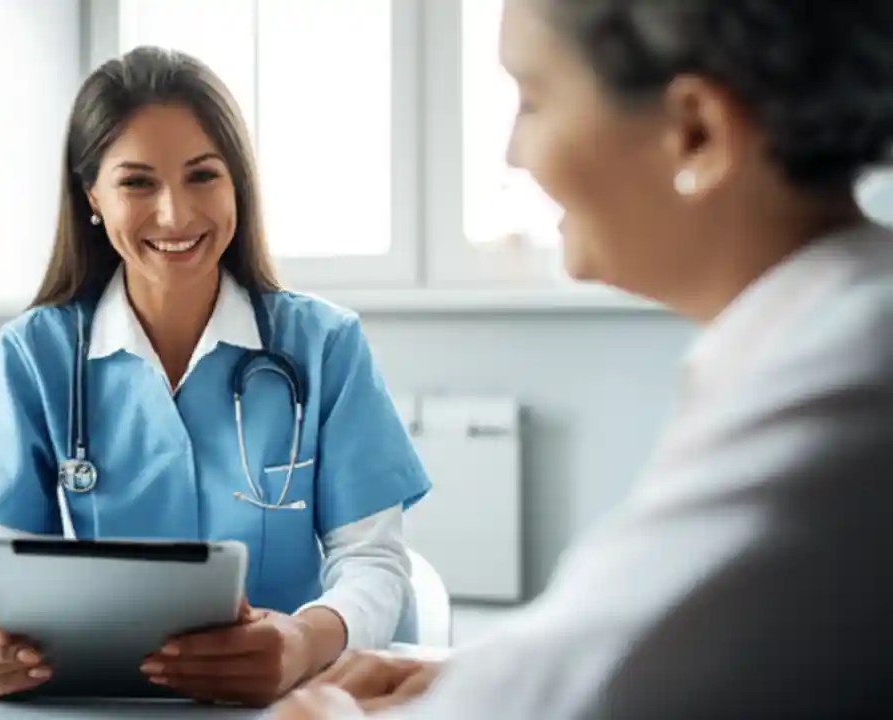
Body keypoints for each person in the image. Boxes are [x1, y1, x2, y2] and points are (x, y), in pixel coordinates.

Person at [273, 0, 893, 717]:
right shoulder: (824, 331)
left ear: (696, 132)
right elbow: (679, 640)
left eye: (531, 99)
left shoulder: (841, 386)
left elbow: (596, 688)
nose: (511, 152)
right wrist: (476, 672)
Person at [0, 46, 431, 707]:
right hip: (106, 703)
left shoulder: (324, 346)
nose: (175, 214)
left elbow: (372, 560)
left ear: (237, 186)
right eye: (138, 183)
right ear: (93, 197)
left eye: (203, 176)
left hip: (298, 702)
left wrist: (303, 643)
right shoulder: (37, 354)